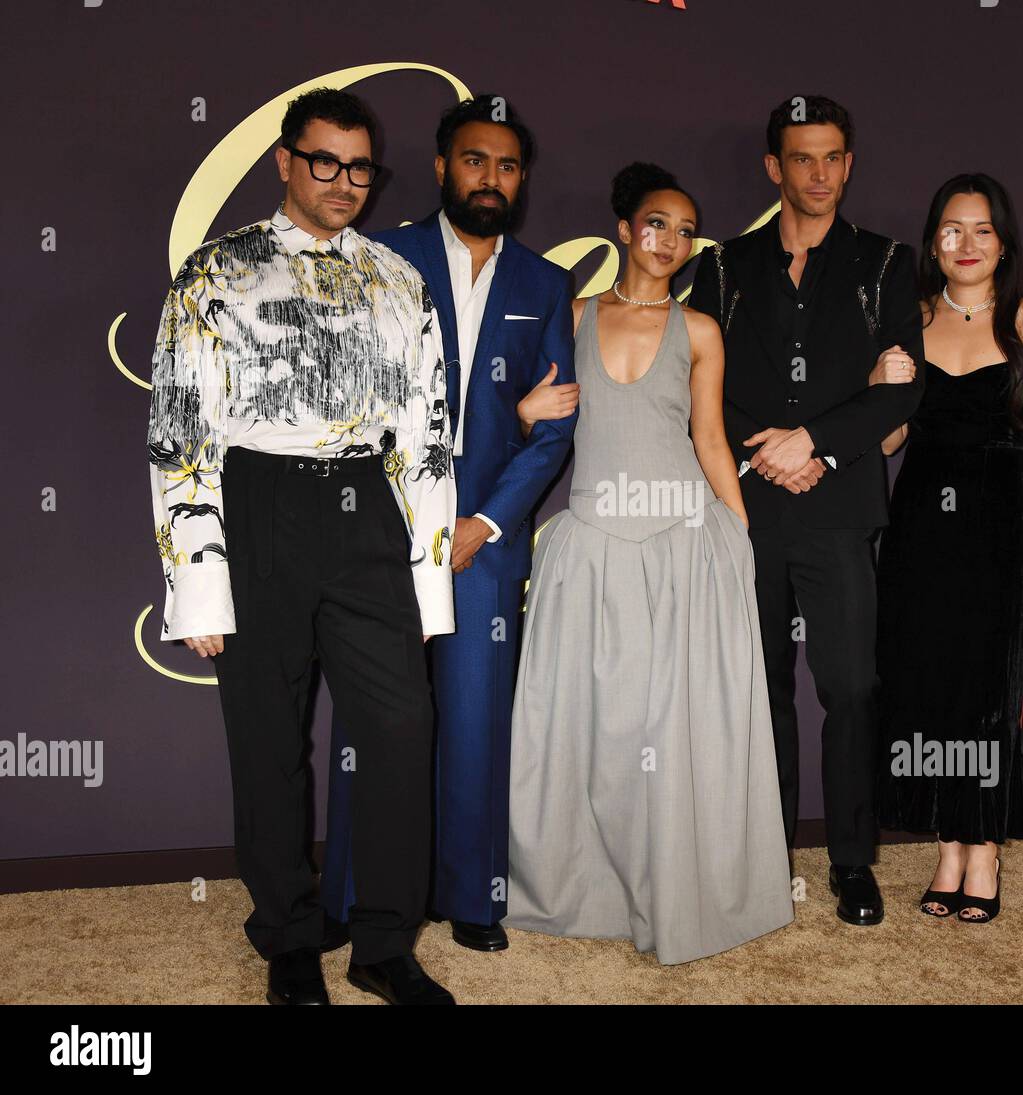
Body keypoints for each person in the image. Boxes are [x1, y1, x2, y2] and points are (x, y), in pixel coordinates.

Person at [145, 88, 457, 1003]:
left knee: (403, 730)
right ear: (284, 160)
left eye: (360, 167)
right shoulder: (217, 271)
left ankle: (385, 944)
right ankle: (286, 934)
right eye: (324, 162)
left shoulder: (400, 280)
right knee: (269, 738)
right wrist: (198, 583)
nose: (343, 183)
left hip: (370, 511)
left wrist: (430, 582)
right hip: (257, 506)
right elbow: (180, 434)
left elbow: (427, 438)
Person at [504, 163, 793, 964]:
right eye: (658, 222)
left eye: (686, 228)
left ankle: (680, 889)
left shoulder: (700, 330)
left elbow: (709, 438)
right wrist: (523, 410)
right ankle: (589, 893)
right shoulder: (568, 317)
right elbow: (529, 422)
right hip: (591, 545)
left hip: (679, 546)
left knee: (673, 730)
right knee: (593, 732)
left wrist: (737, 534)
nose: (671, 239)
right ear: (626, 227)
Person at [321, 95, 578, 953]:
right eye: (476, 160)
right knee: (372, 722)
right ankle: (356, 894)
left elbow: (556, 432)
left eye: (508, 166)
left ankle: (472, 895)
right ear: (442, 167)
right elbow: (350, 396)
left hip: (485, 543)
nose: (492, 178)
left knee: (473, 723)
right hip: (384, 531)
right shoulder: (381, 256)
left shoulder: (545, 284)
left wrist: (485, 521)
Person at [688, 96, 924, 925]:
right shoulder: (723, 266)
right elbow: (701, 386)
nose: (818, 174)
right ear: (773, 168)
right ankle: (765, 849)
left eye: (832, 157)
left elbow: (903, 388)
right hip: (747, 507)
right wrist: (771, 448)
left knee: (852, 688)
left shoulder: (890, 263)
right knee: (760, 688)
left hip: (839, 505)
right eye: (801, 159)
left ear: (848, 164)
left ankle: (853, 862)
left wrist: (816, 443)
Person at [874, 173, 1023, 922]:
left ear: (1005, 241)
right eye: (950, 230)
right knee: (927, 686)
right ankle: (947, 846)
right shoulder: (908, 317)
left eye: (981, 230)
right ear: (934, 241)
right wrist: (881, 385)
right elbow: (893, 438)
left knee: (988, 697)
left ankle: (984, 848)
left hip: (998, 531)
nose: (965, 245)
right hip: (918, 533)